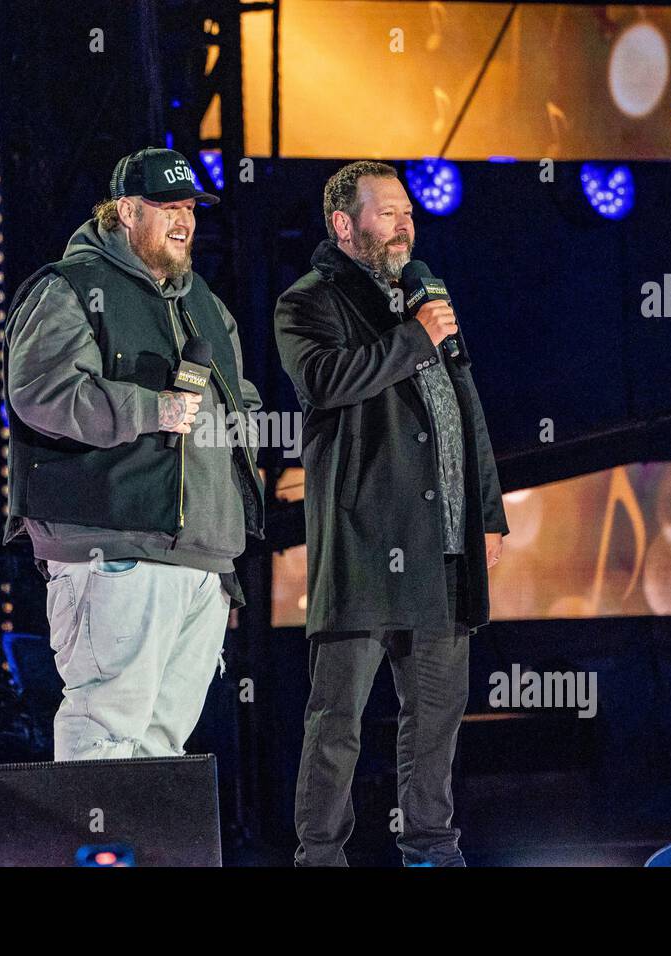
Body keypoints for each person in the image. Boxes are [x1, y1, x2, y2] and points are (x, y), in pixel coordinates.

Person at [274, 160, 509, 866]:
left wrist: (488, 514)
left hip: (444, 546)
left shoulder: (424, 289)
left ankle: (432, 851)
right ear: (346, 226)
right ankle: (320, 856)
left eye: (407, 210)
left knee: (435, 719)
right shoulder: (308, 301)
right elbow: (325, 381)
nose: (404, 222)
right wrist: (416, 338)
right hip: (366, 543)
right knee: (338, 720)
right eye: (387, 212)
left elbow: (465, 410)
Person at [3, 148, 265, 761]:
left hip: (201, 559)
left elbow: (240, 400)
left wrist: (242, 468)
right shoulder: (69, 287)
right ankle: (96, 853)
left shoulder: (206, 304)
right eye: (167, 207)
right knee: (106, 728)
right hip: (113, 549)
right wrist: (150, 410)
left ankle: (140, 853)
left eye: (190, 208)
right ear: (125, 211)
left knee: (160, 745)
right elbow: (42, 392)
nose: (184, 220)